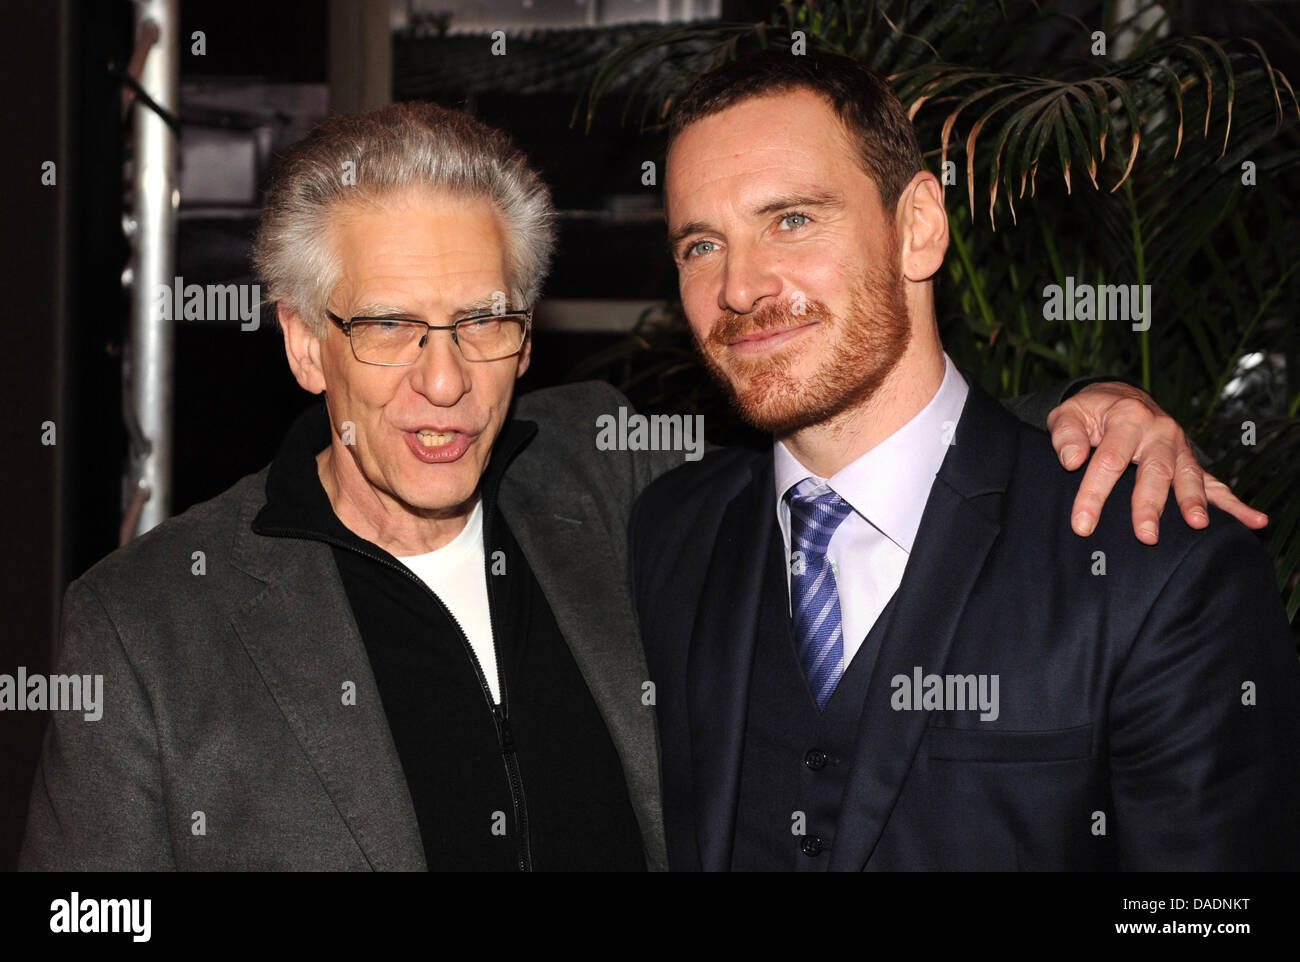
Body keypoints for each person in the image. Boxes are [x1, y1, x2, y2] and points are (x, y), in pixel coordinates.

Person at [21, 100, 1256, 871]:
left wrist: (1091, 412)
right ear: (305, 342)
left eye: (484, 320)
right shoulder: (147, 626)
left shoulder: (615, 487)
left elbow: (866, 425)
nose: (443, 382)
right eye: (390, 326)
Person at [629, 49, 1300, 871]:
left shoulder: (1155, 562)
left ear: (918, 228)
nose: (738, 287)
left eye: (792, 219)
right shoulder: (669, 534)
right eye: (701, 245)